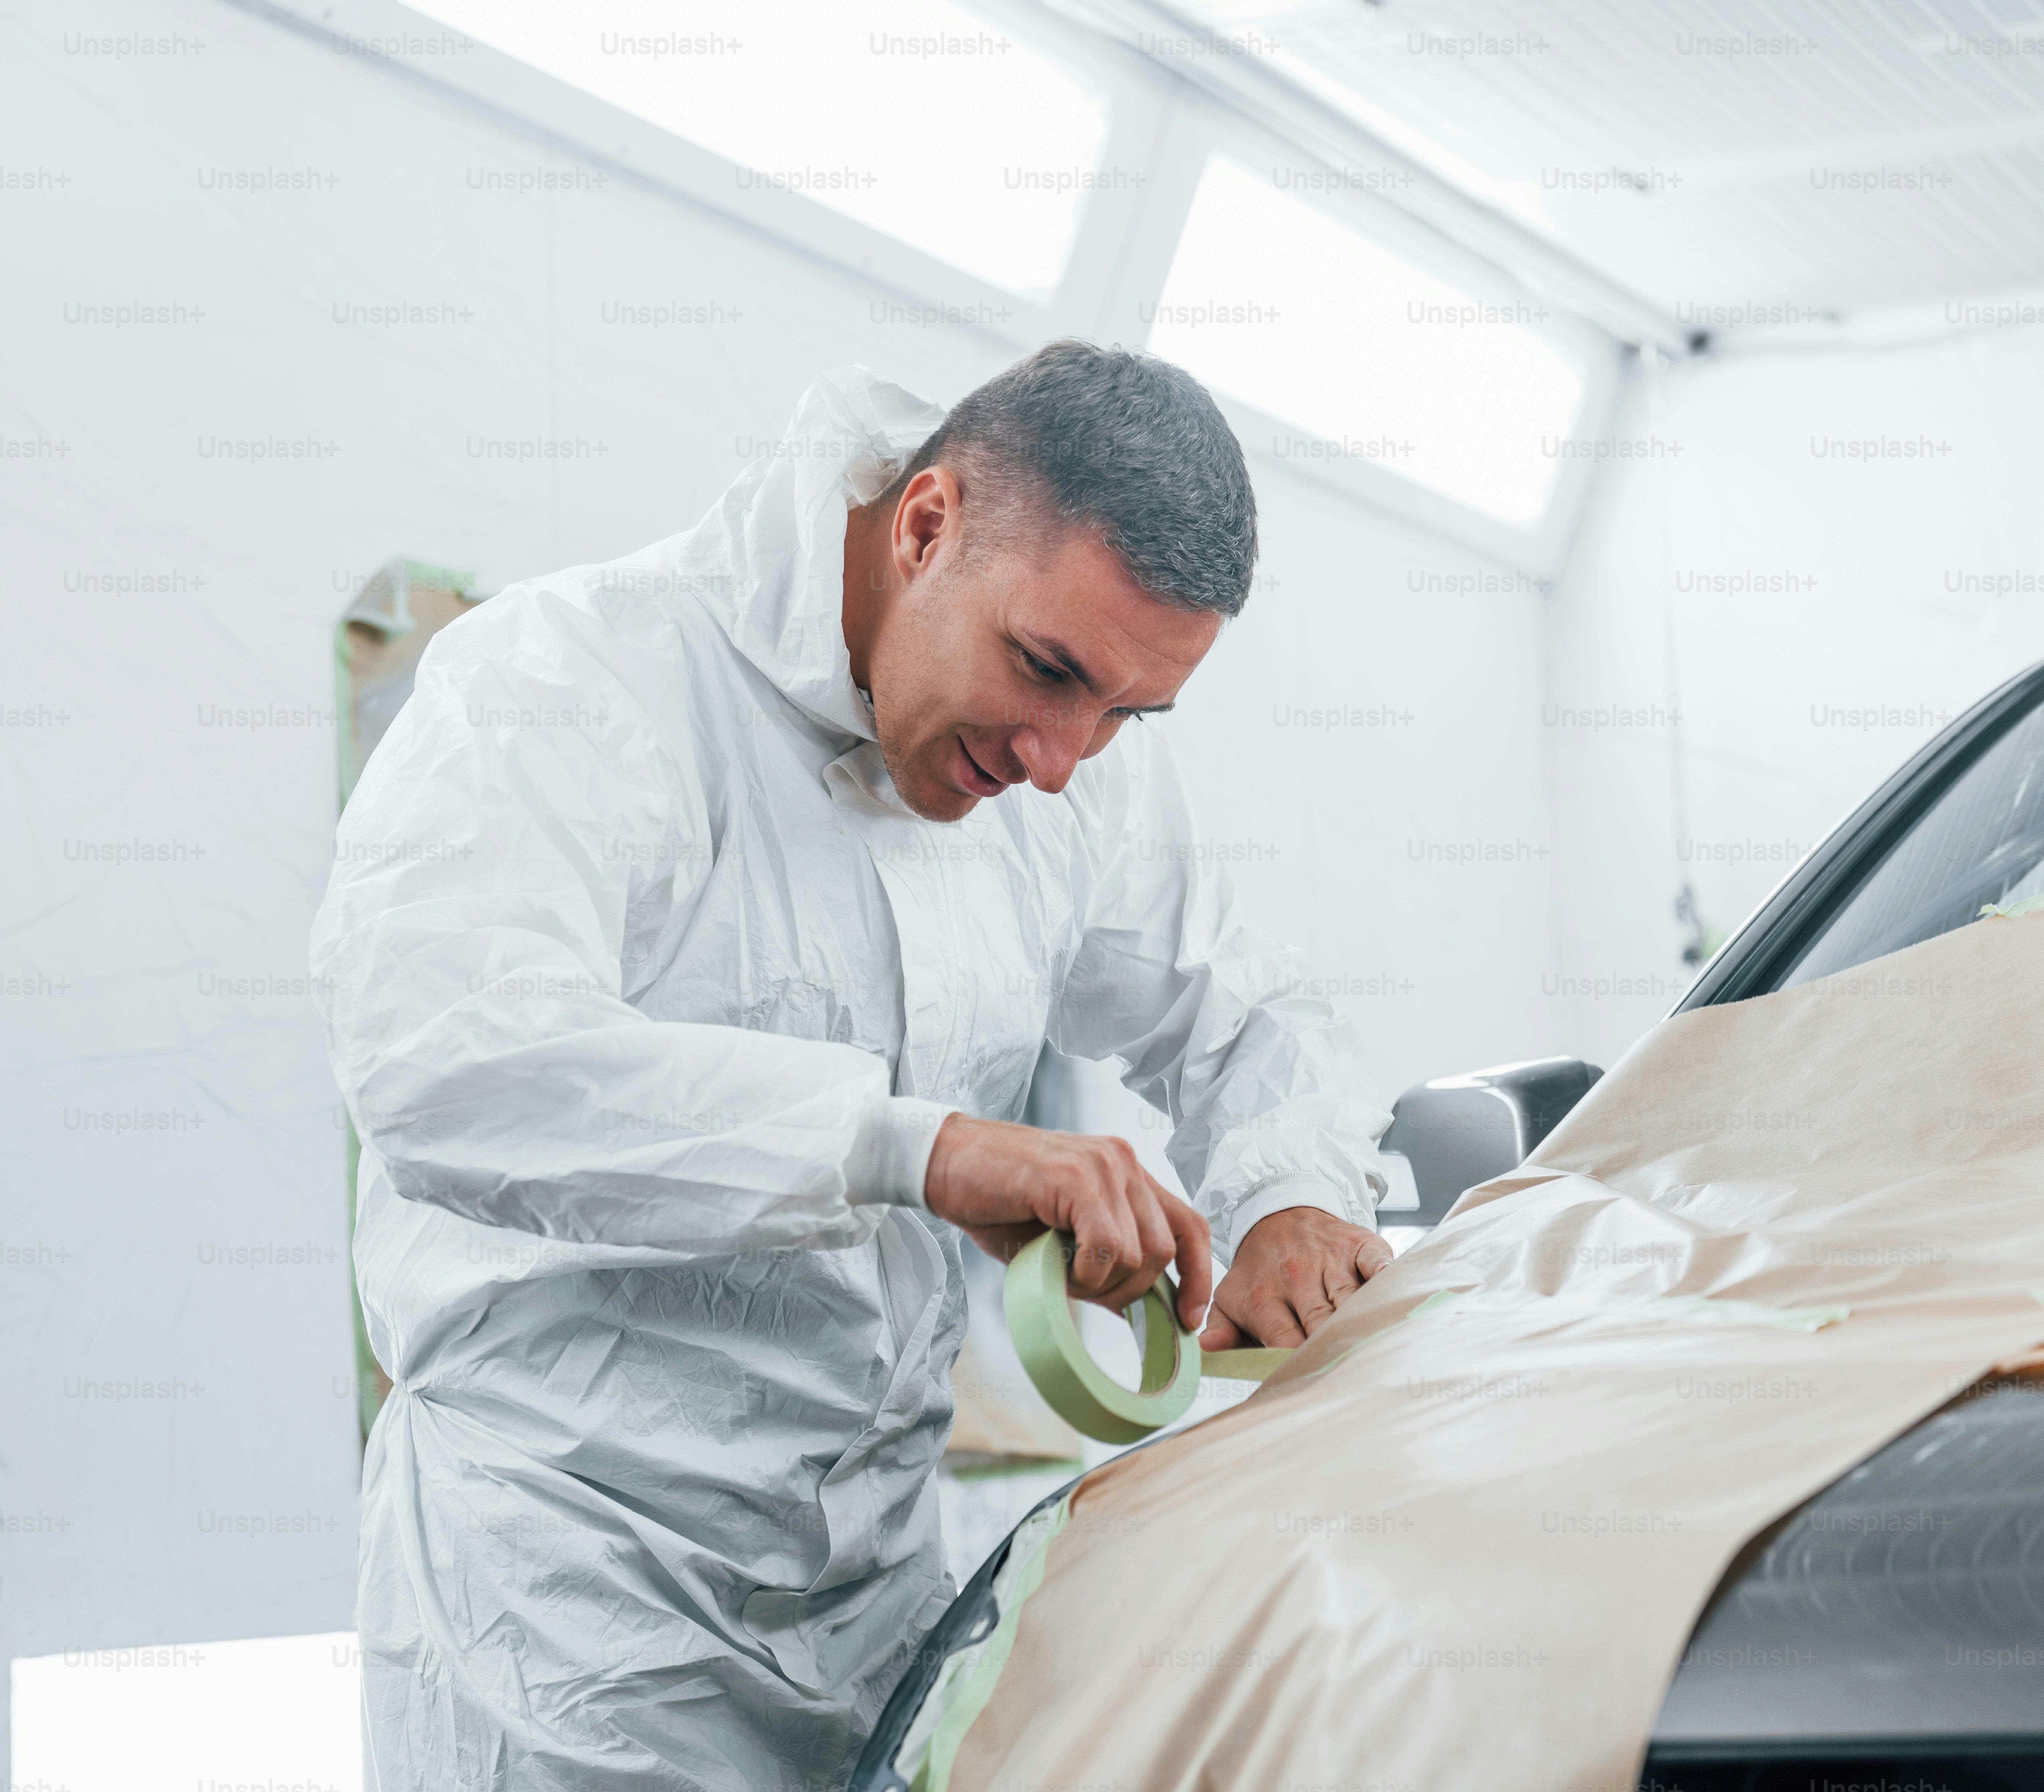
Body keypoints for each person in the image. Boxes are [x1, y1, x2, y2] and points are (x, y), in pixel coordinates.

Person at [310, 345, 1401, 1787]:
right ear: (927, 523)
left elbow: (1248, 1006)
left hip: (879, 1608)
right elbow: (446, 1055)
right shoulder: (574, 681)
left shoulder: (1059, 762)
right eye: (1050, 671)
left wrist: (1290, 1199)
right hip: (567, 1623)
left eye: (1128, 713)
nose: (1065, 757)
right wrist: (922, 1148)